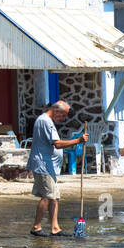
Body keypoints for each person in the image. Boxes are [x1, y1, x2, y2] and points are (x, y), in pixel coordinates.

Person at [29, 100, 87, 237]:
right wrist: (78, 141)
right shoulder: (46, 122)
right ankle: (36, 227)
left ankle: (55, 228)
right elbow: (57, 144)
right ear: (56, 111)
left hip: (49, 166)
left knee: (54, 197)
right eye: (63, 115)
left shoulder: (45, 120)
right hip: (44, 165)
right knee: (47, 196)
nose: (64, 119)